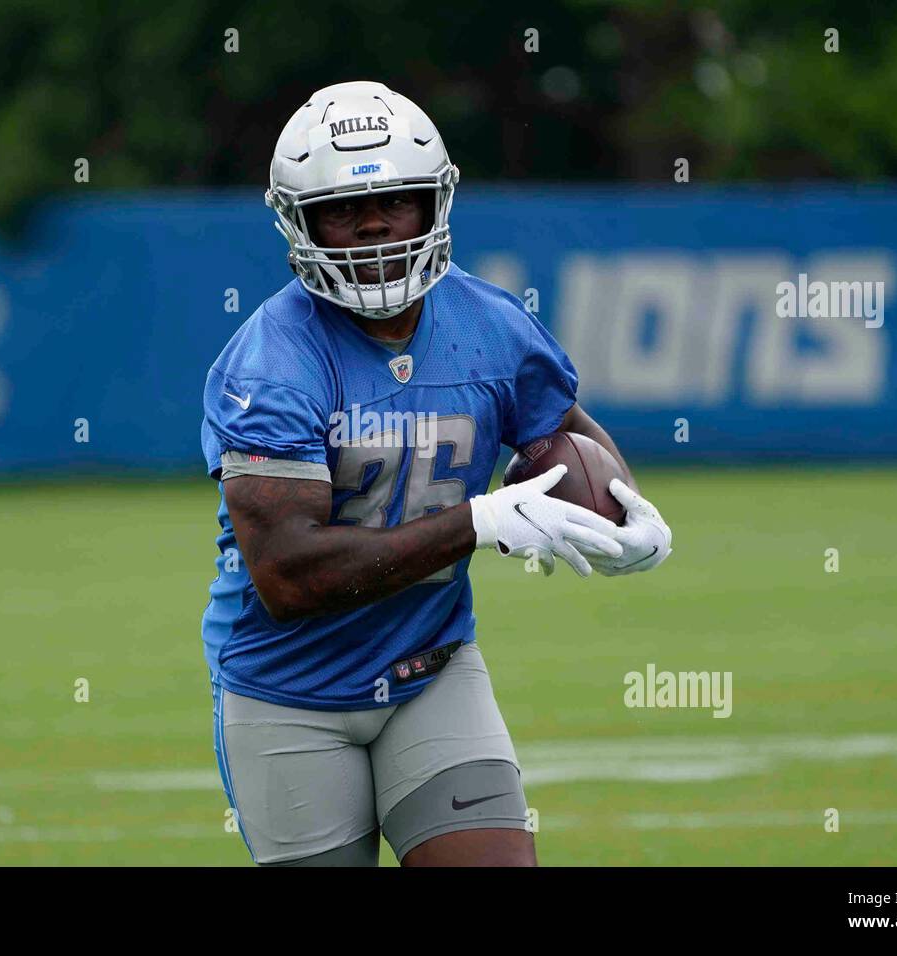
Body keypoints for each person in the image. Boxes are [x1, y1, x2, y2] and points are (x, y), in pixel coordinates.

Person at [199, 80, 672, 866]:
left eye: (396, 200)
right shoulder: (271, 363)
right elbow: (288, 576)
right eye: (344, 209)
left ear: (435, 203)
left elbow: (567, 439)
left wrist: (629, 516)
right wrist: (479, 522)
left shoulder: (492, 325)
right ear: (299, 221)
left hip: (432, 670)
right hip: (290, 692)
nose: (374, 224)